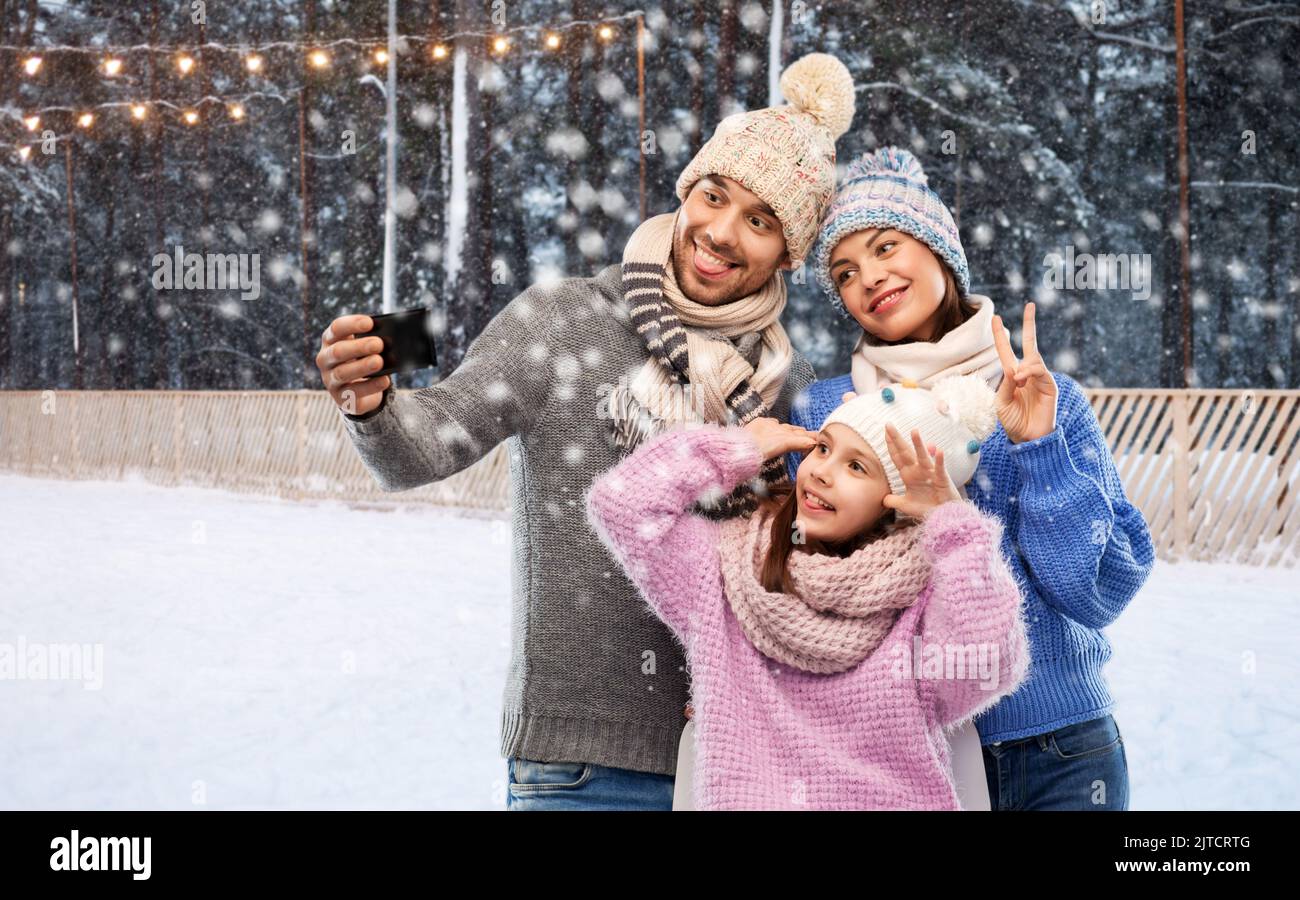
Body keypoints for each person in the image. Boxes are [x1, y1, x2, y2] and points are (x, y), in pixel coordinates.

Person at [315, 54, 858, 810]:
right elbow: (423, 443)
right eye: (714, 196)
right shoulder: (564, 321)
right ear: (687, 191)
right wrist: (370, 402)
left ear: (788, 253)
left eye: (761, 221)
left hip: (734, 765)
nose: (722, 232)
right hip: (576, 769)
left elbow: (795, 578)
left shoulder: (785, 388)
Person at [786, 146, 1156, 810]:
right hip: (901, 759)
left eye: (885, 247)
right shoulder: (827, 415)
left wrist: (1039, 448)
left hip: (1061, 753)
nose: (868, 277)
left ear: (941, 253)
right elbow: (803, 592)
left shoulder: (1044, 398)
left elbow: (1097, 593)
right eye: (845, 272)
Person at [586, 375, 1029, 809]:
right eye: (823, 448)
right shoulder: (725, 573)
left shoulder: (927, 600)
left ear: (896, 501)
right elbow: (623, 504)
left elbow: (984, 669)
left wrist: (956, 527)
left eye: (857, 466)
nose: (821, 473)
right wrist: (738, 448)